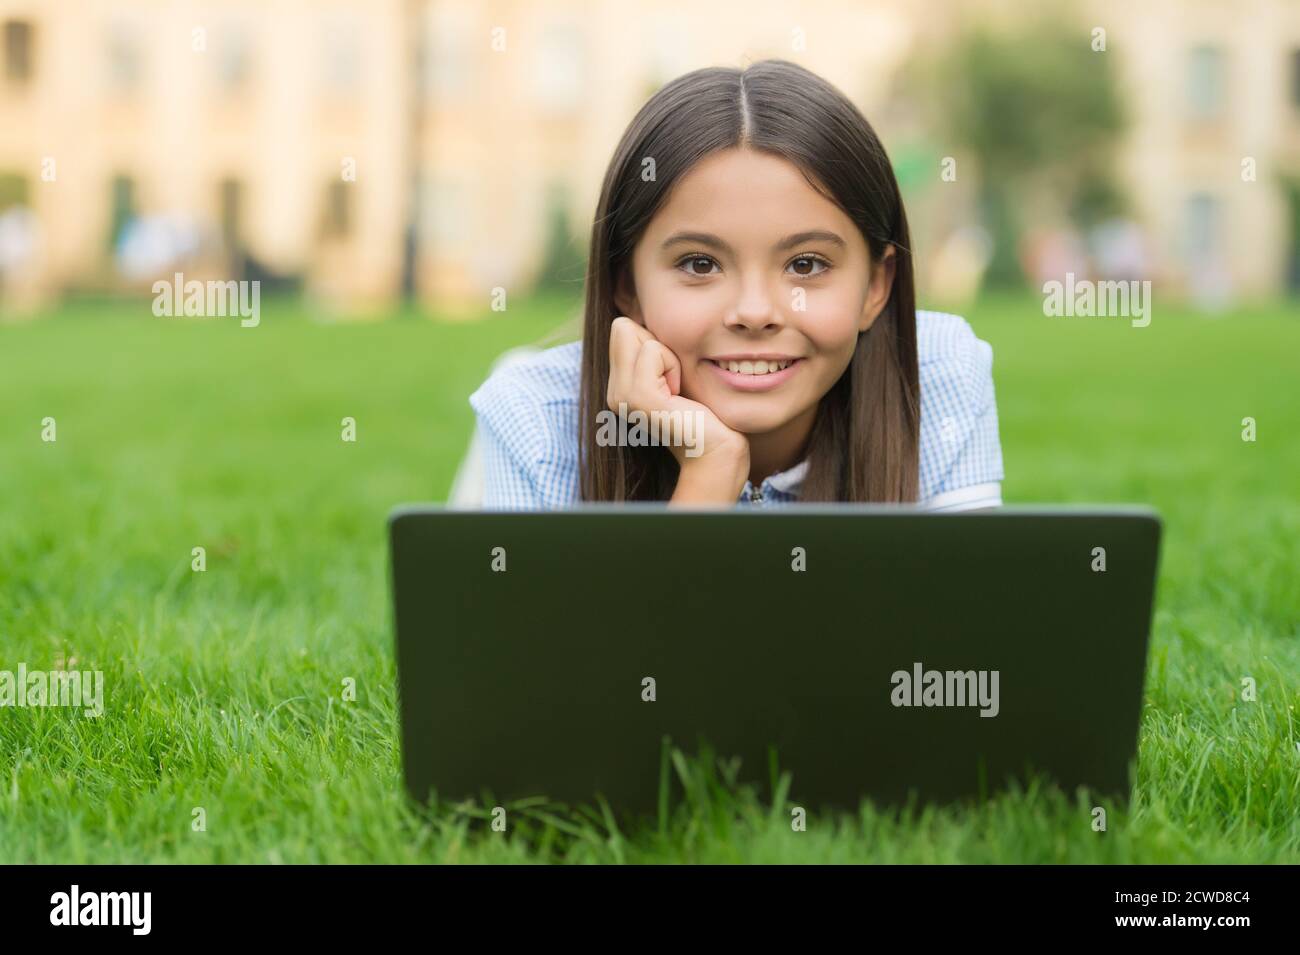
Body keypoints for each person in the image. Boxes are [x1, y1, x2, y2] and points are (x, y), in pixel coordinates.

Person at [469, 59, 1003, 510]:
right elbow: (607, 640)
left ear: (875, 288)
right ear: (625, 286)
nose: (754, 311)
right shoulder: (535, 421)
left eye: (807, 264)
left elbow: (969, 626)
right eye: (700, 265)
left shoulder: (938, 376)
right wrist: (710, 471)